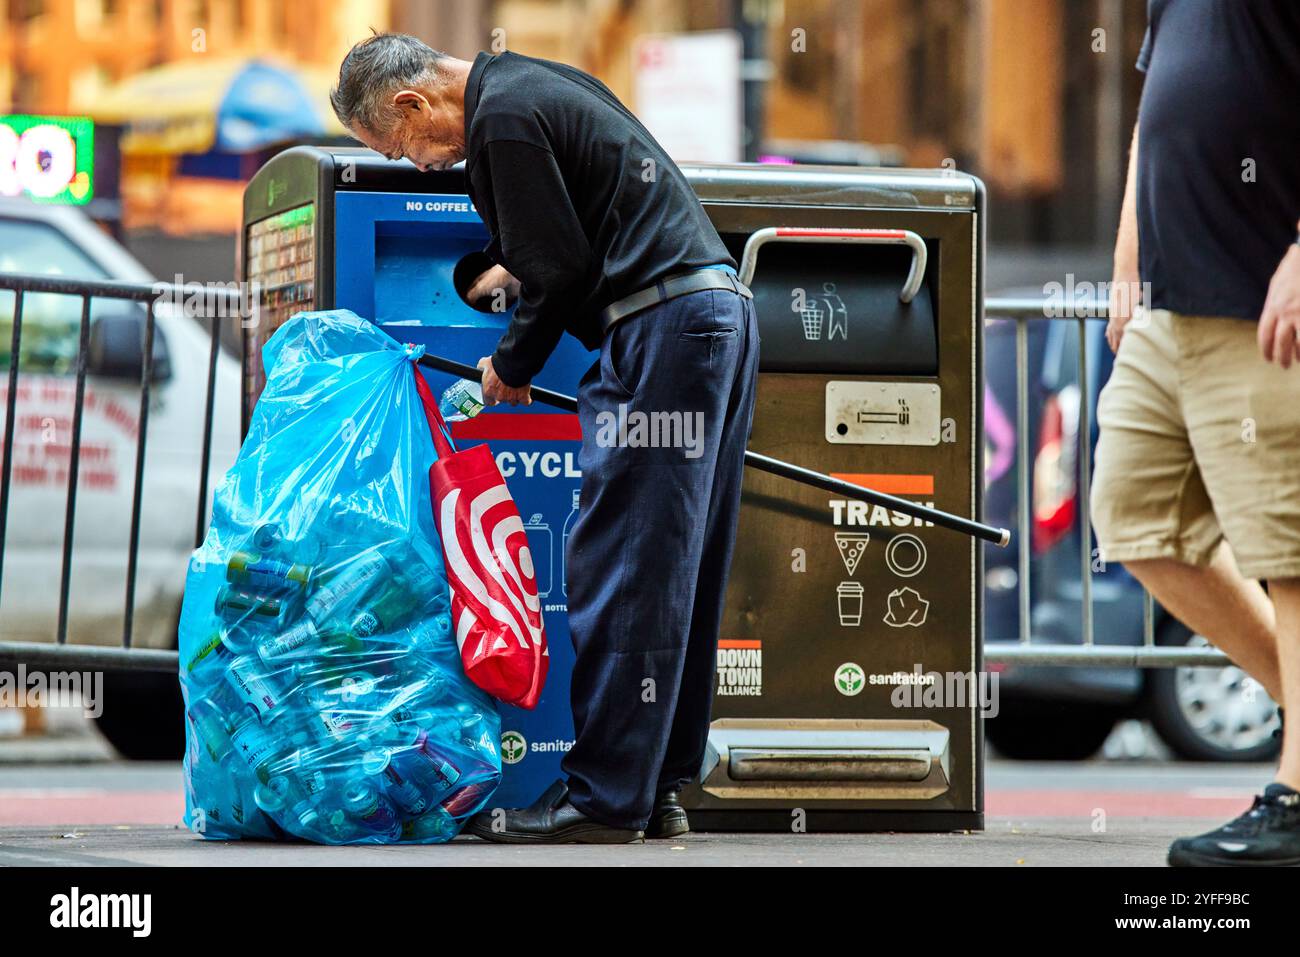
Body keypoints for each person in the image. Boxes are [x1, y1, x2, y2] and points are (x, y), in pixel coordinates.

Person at [330, 34, 759, 843]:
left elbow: (558, 268)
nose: (418, 167)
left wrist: (510, 365)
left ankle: (601, 802)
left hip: (663, 327)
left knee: (621, 565)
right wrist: (503, 267)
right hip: (714, 315)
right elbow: (570, 225)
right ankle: (658, 787)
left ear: (411, 104)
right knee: (678, 569)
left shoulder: (503, 121)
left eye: (400, 147)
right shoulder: (529, 85)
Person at [1091, 1, 1300, 866]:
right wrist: (1127, 262)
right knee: (1134, 517)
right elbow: (1155, 111)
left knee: (1287, 555)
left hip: (1261, 300)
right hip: (1169, 307)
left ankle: (1295, 803)